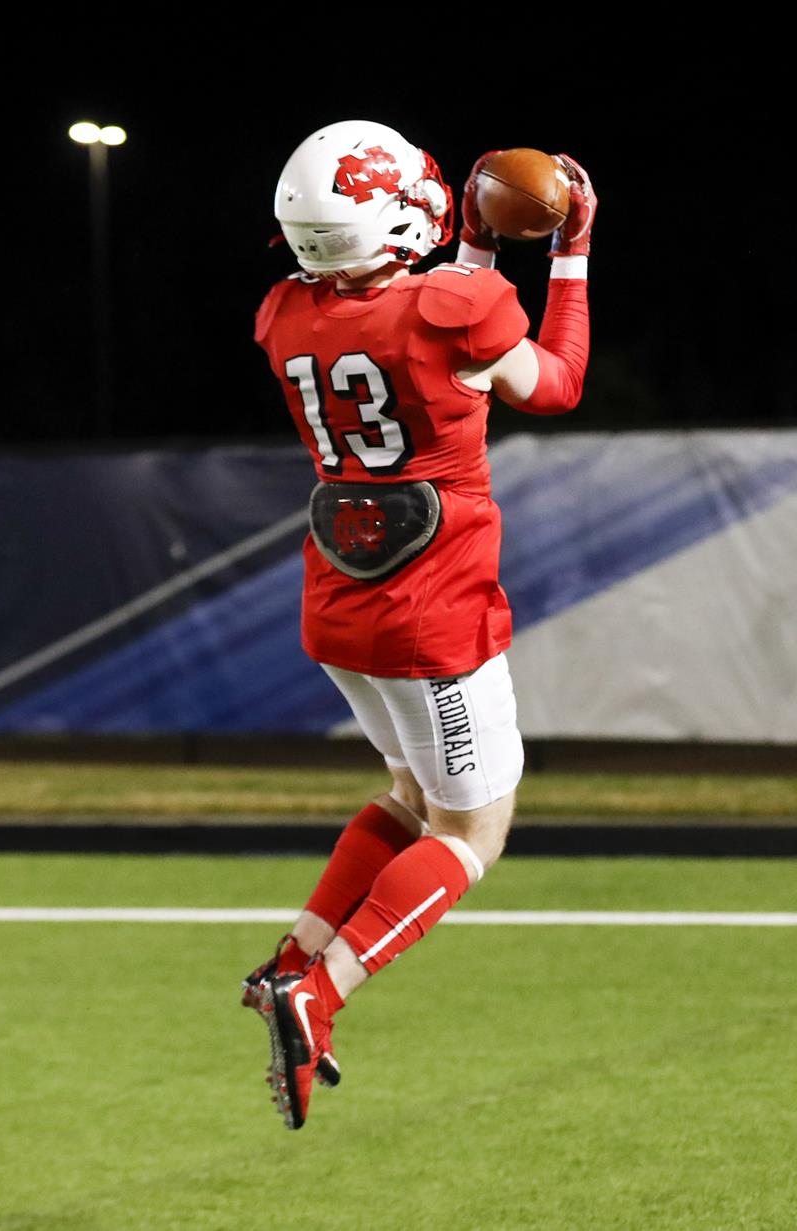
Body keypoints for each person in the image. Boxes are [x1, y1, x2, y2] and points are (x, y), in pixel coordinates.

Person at [241, 120, 595, 1130]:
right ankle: (322, 989)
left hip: (340, 597)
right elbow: (554, 381)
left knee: (407, 793)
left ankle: (292, 959)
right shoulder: (457, 306)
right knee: (471, 828)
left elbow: (426, 319)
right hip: (430, 604)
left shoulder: (283, 314)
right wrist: (570, 248)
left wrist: (478, 245)